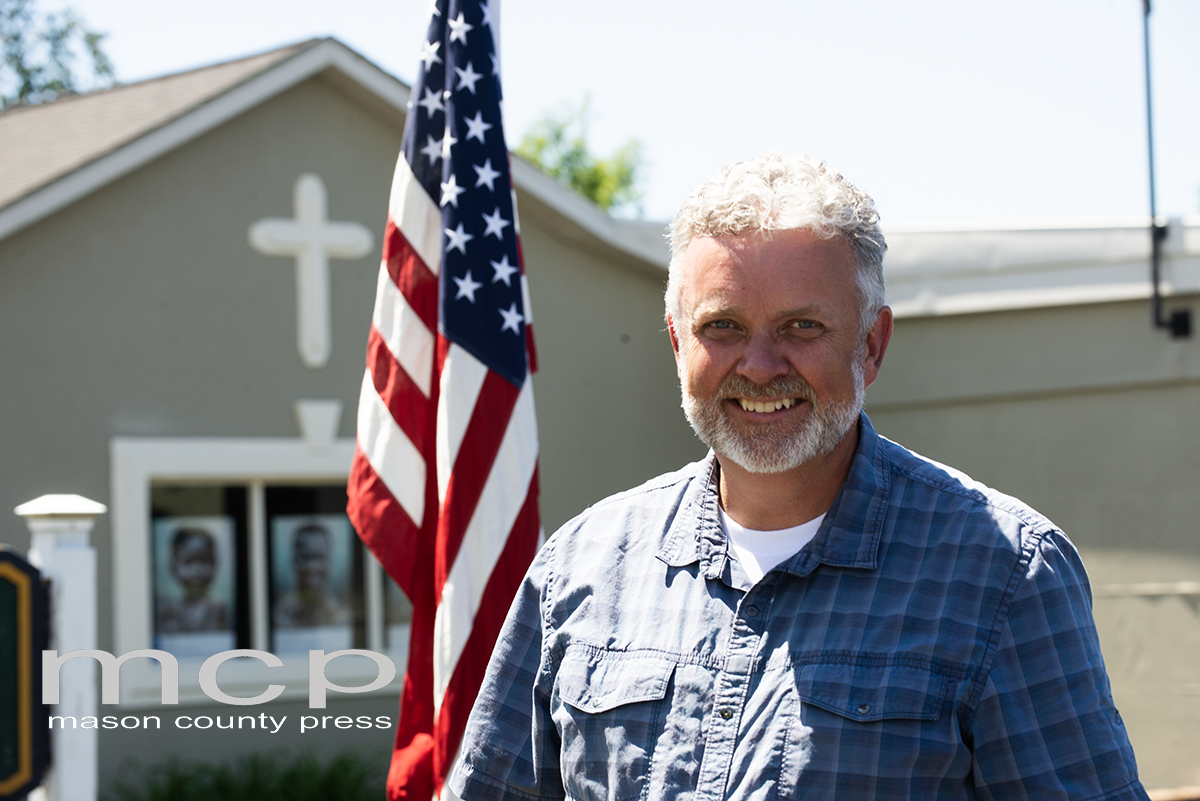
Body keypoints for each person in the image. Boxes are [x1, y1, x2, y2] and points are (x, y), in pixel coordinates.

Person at [448, 153, 1148, 799]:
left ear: (871, 343)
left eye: (801, 326)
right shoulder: (580, 567)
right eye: (722, 326)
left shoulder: (1005, 573)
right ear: (675, 342)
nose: (758, 365)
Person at [157, 526, 229, 634]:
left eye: (204, 561)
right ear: (174, 566)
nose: (197, 570)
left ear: (215, 563)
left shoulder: (217, 608)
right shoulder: (168, 608)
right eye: (189, 562)